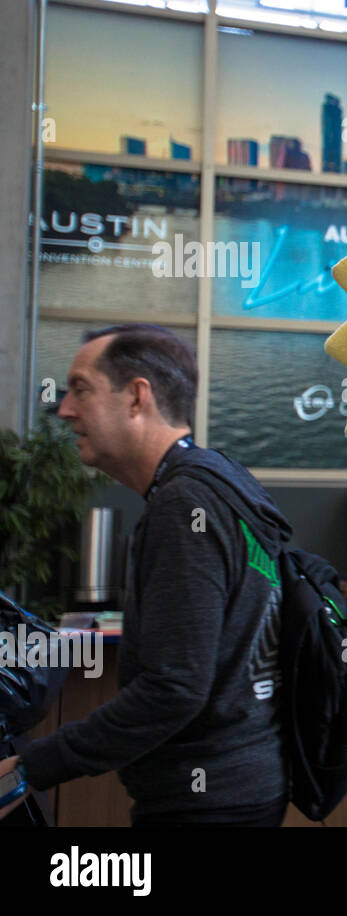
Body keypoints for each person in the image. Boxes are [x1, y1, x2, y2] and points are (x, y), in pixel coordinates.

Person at [0, 324, 292, 826]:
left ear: (137, 397)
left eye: (81, 388)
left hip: (206, 802)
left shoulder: (184, 503)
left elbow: (174, 689)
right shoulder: (224, 479)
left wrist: (27, 768)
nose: (64, 408)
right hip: (243, 784)